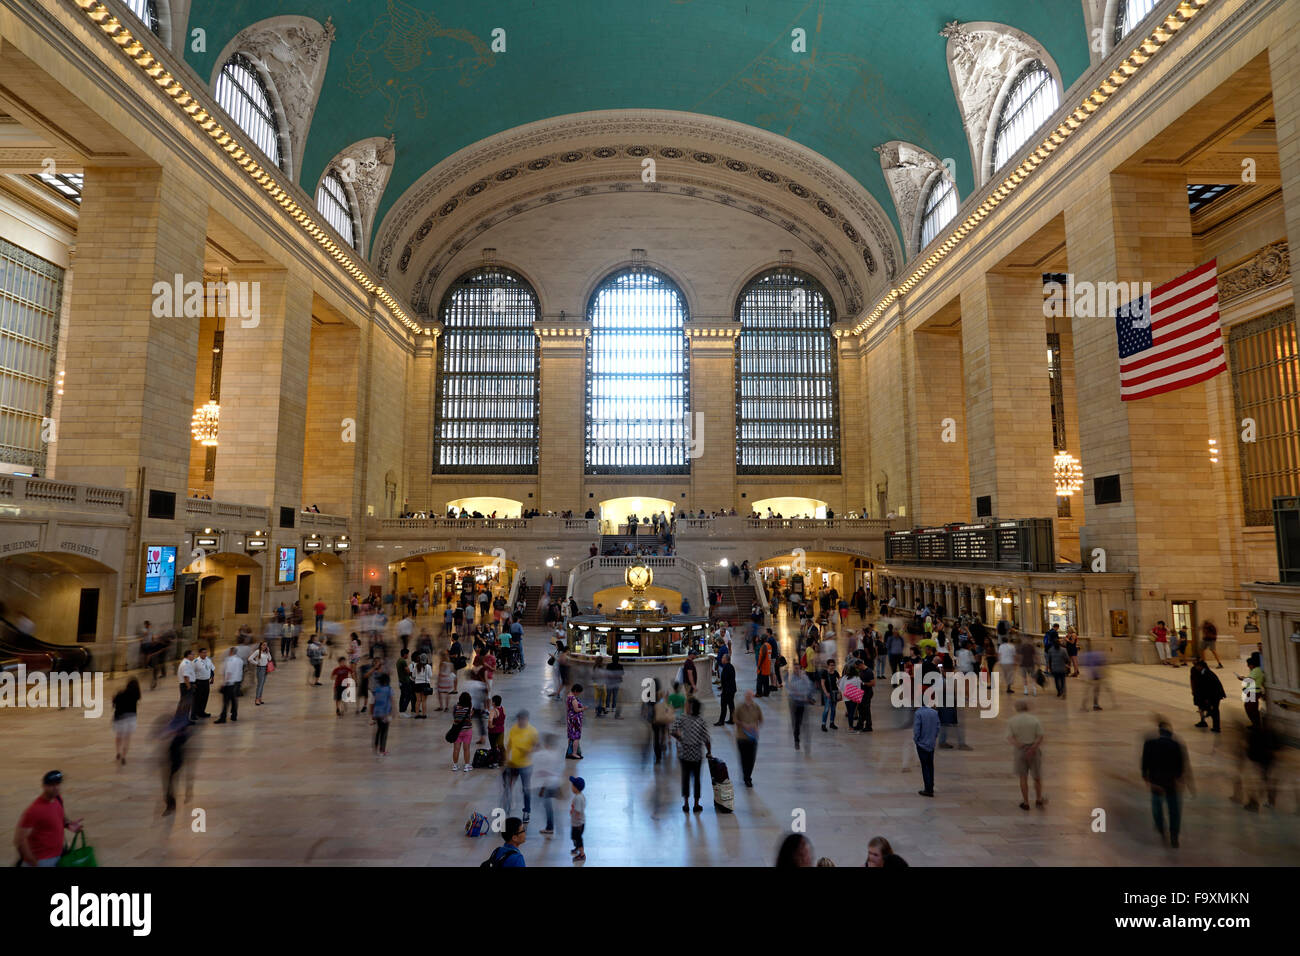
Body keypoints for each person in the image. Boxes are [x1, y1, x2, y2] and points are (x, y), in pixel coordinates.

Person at [1141, 718, 1192, 847]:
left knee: (1157, 807)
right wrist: (1180, 778)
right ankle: (1174, 834)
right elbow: (1181, 764)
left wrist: (1146, 778)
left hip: (1156, 781)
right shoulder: (1176, 744)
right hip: (1171, 782)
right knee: (1174, 809)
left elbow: (1145, 762)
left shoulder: (1149, 743)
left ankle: (1161, 829)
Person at [14, 770, 82, 866]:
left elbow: (60, 816)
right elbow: (20, 839)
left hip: (58, 856)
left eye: (58, 784)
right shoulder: (34, 810)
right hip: (42, 860)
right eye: (51, 785)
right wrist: (33, 862)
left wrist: (68, 824)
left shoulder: (58, 799)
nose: (56, 788)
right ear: (44, 786)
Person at [671, 698, 712, 813]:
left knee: (685, 779)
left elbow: (673, 730)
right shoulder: (701, 721)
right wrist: (709, 752)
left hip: (685, 755)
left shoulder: (682, 718)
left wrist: (681, 739)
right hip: (697, 756)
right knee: (697, 780)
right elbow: (707, 739)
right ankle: (696, 804)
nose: (686, 707)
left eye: (688, 706)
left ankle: (686, 804)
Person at [1007, 700, 1045, 810]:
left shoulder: (1012, 721)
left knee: (1023, 777)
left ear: (1016, 709)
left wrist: (1022, 747)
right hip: (1034, 750)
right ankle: (1038, 799)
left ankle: (1026, 802)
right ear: (1027, 708)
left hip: (1020, 751)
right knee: (1037, 777)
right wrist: (1032, 748)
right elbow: (1040, 736)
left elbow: (1010, 738)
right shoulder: (1034, 720)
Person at [502, 710, 538, 821]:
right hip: (513, 764)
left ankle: (526, 811)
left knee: (526, 789)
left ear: (527, 719)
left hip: (526, 766)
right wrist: (506, 759)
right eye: (519, 719)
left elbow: (537, 747)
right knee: (508, 787)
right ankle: (506, 809)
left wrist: (529, 752)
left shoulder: (532, 731)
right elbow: (509, 745)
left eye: (522, 719)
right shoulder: (514, 729)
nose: (520, 721)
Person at [734, 690, 762, 787]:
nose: (749, 697)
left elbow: (760, 719)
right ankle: (746, 777)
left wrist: (756, 727)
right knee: (744, 758)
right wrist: (743, 724)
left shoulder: (756, 707)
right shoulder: (740, 707)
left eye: (751, 696)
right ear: (745, 697)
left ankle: (748, 776)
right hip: (741, 737)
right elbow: (734, 719)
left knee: (751, 759)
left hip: (753, 738)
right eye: (747, 696)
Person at [913, 699, 939, 797]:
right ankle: (931, 785)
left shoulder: (918, 713)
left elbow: (917, 729)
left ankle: (928, 789)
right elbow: (937, 727)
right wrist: (933, 738)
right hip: (931, 743)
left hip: (922, 744)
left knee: (925, 766)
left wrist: (916, 740)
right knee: (930, 765)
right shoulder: (934, 713)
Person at [1191, 658, 1225, 732]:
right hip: (1213, 694)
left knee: (1214, 710)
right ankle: (1215, 726)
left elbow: (1208, 688)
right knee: (1213, 710)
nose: (1196, 668)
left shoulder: (1207, 674)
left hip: (1215, 695)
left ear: (1201, 666)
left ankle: (1216, 727)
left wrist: (1207, 698)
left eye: (1197, 666)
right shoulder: (1204, 672)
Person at [112, 678, 141, 765]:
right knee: (127, 738)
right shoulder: (136, 695)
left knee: (119, 736)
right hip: (131, 718)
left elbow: (114, 703)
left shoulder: (120, 693)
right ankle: (124, 756)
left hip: (119, 717)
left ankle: (118, 752)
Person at [215, 647, 245, 723]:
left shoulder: (230, 660)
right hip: (237, 682)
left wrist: (224, 683)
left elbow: (229, 672)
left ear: (231, 652)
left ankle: (223, 718)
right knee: (234, 699)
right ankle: (234, 716)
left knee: (226, 701)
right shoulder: (240, 660)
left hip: (229, 683)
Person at [1236, 653, 1265, 728]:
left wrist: (1242, 678)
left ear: (1252, 664)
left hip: (1253, 692)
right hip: (1252, 692)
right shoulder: (1255, 670)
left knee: (1251, 708)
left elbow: (1250, 680)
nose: (1248, 666)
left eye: (1248, 664)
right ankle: (1255, 723)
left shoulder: (1256, 670)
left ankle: (1256, 724)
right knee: (1250, 707)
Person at [450, 691, 474, 772]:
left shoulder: (455, 707)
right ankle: (467, 766)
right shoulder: (469, 708)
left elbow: (455, 717)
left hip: (457, 731)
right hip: (467, 730)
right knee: (466, 749)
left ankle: (455, 765)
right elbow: (470, 717)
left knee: (456, 749)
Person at [370, 673, 393, 756]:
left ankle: (375, 747)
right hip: (385, 714)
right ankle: (382, 750)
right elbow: (391, 701)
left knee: (379, 730)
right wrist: (393, 712)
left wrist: (372, 714)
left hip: (377, 713)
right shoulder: (389, 689)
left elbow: (372, 702)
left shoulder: (376, 690)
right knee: (384, 732)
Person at [191, 647, 214, 720]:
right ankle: (193, 714)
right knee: (197, 699)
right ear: (199, 653)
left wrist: (212, 678)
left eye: (206, 652)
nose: (205, 654)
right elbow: (192, 673)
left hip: (206, 682)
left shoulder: (208, 660)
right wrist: (193, 683)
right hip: (198, 682)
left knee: (205, 698)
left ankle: (201, 712)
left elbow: (211, 669)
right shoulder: (195, 661)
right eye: (203, 652)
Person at [568, 776, 587, 862]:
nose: (571, 787)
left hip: (578, 824)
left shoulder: (578, 798)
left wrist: (578, 823)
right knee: (574, 837)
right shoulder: (579, 795)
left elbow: (578, 812)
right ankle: (577, 848)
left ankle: (582, 855)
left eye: (572, 785)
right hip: (576, 823)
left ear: (576, 788)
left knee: (578, 839)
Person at [565, 683, 586, 759]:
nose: (579, 694)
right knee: (576, 737)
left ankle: (570, 751)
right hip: (575, 720)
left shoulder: (569, 696)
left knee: (571, 736)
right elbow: (576, 709)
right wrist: (583, 709)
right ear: (576, 691)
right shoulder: (573, 698)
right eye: (579, 692)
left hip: (570, 718)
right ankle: (574, 753)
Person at [249, 640, 273, 705]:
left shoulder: (266, 652)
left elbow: (270, 659)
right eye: (264, 645)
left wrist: (268, 652)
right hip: (260, 669)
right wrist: (256, 663)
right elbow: (250, 659)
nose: (265, 646)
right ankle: (257, 699)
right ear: (261, 645)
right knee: (259, 685)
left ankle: (260, 698)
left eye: (266, 645)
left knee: (262, 685)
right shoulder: (257, 651)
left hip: (266, 669)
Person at [715, 653, 736, 725]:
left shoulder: (727, 668)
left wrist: (724, 691)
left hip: (728, 690)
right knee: (731, 705)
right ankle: (732, 719)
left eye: (723, 658)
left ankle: (721, 721)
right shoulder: (730, 666)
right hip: (731, 689)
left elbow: (726, 681)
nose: (721, 659)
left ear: (726, 659)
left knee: (723, 706)